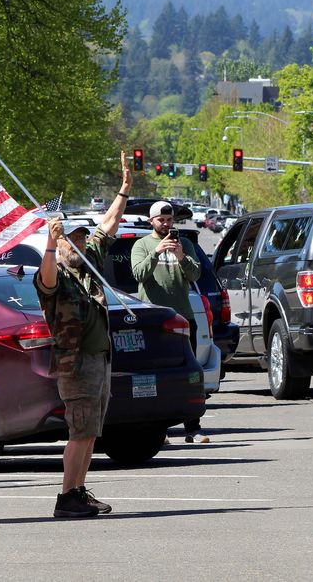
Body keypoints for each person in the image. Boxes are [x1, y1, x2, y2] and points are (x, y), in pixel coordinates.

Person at [36, 155, 131, 519]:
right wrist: (49, 242)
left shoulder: (87, 265)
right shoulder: (55, 278)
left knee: (90, 431)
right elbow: (45, 278)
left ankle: (78, 490)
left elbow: (108, 224)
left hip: (99, 360)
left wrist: (124, 188)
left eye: (79, 240)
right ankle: (66, 497)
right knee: (79, 431)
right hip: (75, 366)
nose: (76, 245)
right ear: (60, 249)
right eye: (70, 241)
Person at [130, 200, 207, 443]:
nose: (166, 224)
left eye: (170, 220)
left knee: (188, 374)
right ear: (151, 221)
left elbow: (195, 274)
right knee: (153, 378)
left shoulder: (183, 244)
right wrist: (157, 251)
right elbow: (138, 274)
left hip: (183, 318)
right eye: (161, 220)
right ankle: (158, 432)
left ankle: (193, 429)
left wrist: (181, 255)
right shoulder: (141, 245)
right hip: (153, 321)